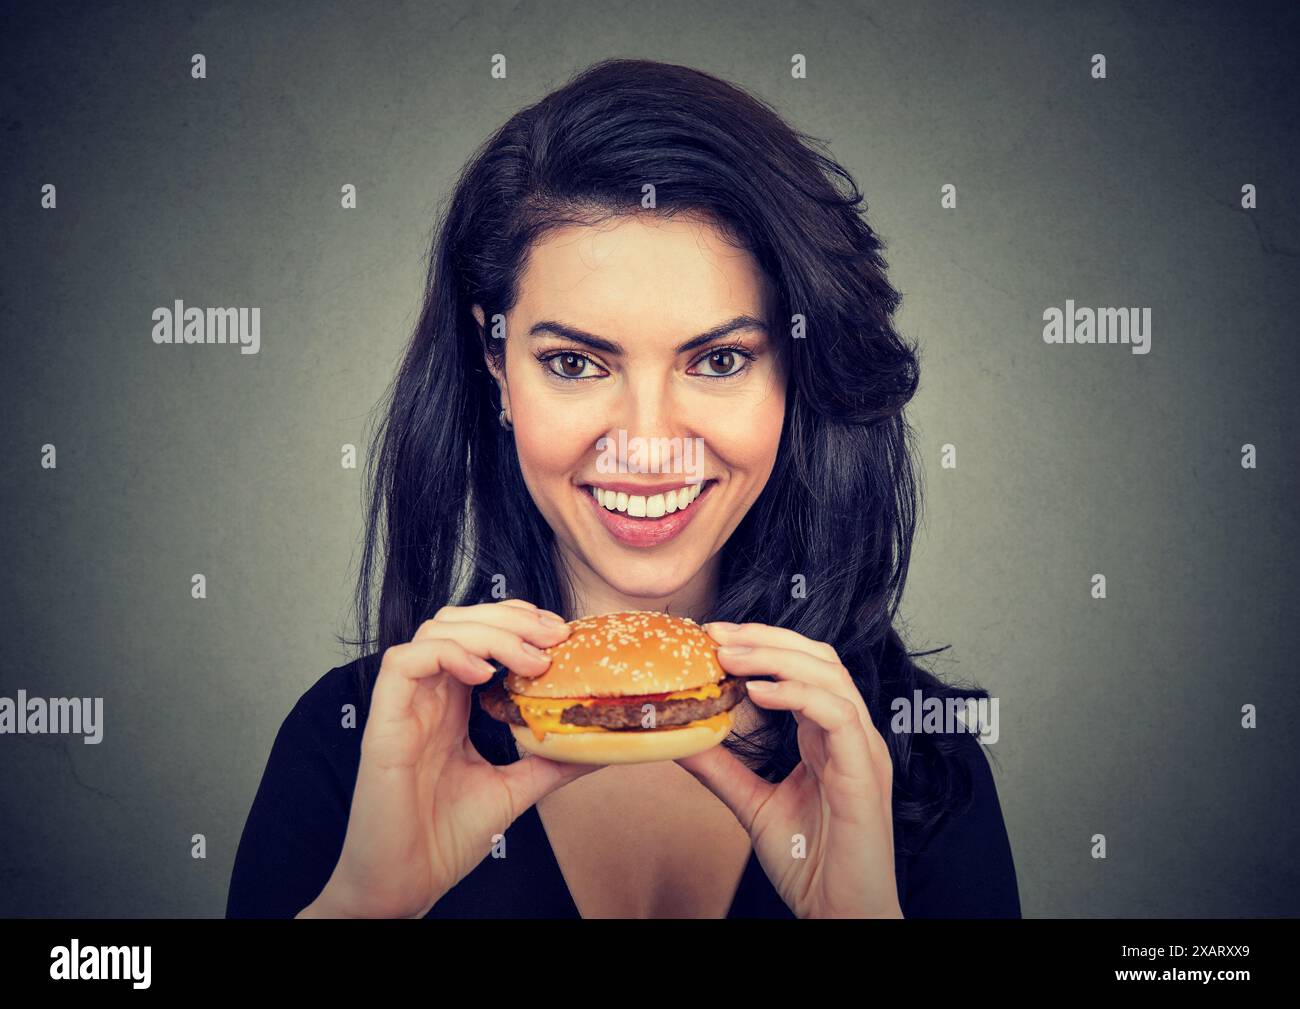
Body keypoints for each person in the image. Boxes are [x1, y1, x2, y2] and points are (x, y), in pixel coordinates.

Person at [226, 57, 1020, 919]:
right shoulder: (352, 748)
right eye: (575, 363)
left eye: (719, 360)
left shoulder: (912, 763)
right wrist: (366, 903)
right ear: (494, 360)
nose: (648, 447)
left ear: (797, 370)